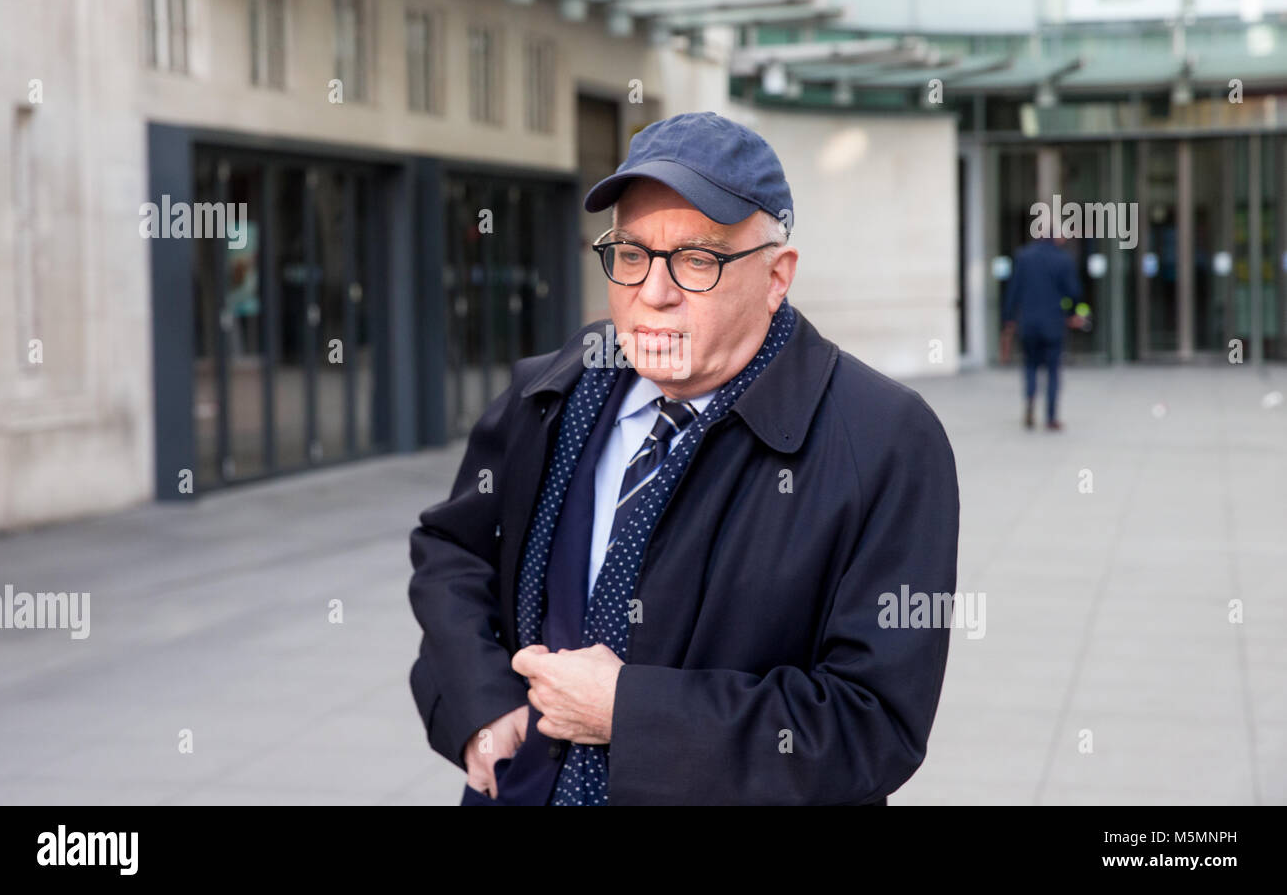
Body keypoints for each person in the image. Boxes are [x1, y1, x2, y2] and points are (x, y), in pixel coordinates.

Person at [407, 111, 960, 805]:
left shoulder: (886, 440)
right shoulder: (553, 387)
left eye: (697, 259)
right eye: (631, 254)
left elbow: (870, 726)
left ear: (776, 276)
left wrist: (628, 712)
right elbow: (453, 552)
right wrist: (478, 704)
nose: (653, 292)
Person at [1000, 230, 1085, 431]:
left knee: (1030, 366)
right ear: (1057, 238)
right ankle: (1051, 417)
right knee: (1053, 370)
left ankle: (1030, 401)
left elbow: (1014, 290)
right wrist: (1074, 312)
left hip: (1028, 323)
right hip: (1053, 323)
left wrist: (1008, 319)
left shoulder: (1024, 256)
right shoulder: (1063, 259)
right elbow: (1073, 291)